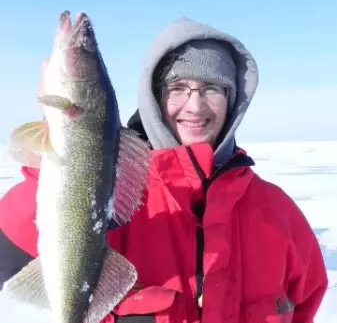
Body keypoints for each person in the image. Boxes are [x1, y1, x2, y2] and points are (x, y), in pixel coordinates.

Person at [0, 17, 328, 323]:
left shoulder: (280, 213)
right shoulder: (119, 197)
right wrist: (59, 142)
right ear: (155, 98)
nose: (195, 106)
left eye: (212, 88)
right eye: (178, 88)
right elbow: (15, 244)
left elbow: (307, 303)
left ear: (234, 100)